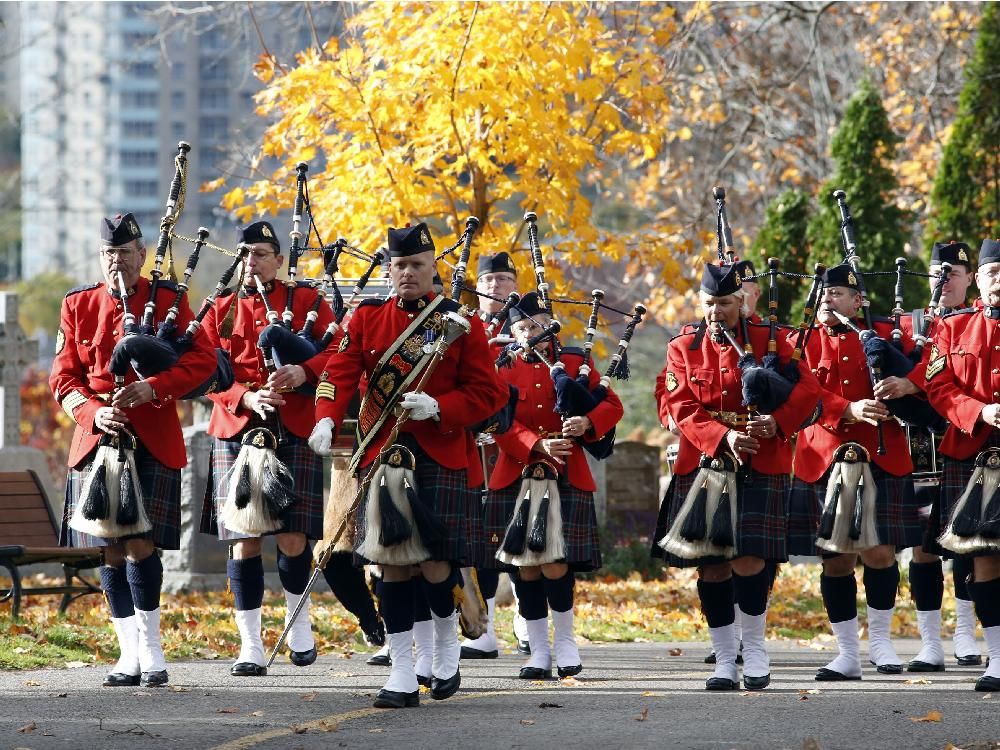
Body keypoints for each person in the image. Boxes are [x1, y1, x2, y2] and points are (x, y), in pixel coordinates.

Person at [309, 221, 507, 709]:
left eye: (416, 265)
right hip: (383, 455)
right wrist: (325, 418)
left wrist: (440, 408)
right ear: (390, 269)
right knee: (390, 565)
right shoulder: (366, 320)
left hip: (439, 452)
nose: (406, 273)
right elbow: (336, 374)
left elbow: (488, 394)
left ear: (432, 268)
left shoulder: (461, 322)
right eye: (399, 265)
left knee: (437, 566)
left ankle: (444, 650)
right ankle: (400, 671)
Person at [51, 213, 216, 688]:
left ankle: (153, 649)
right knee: (109, 548)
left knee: (141, 545)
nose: (116, 261)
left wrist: (156, 388)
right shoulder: (78, 304)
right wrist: (92, 413)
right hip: (98, 438)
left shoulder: (169, 300)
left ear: (142, 254)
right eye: (109, 253)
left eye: (125, 252)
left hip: (152, 435)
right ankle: (127, 653)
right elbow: (63, 378)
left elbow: (202, 362)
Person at [653, 262, 820, 691]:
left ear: (741, 302)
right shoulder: (683, 346)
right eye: (709, 303)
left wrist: (778, 423)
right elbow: (681, 404)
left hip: (761, 460)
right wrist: (721, 436)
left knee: (749, 561)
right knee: (711, 567)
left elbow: (808, 390)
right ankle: (725, 659)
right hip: (706, 463)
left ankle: (756, 649)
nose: (715, 311)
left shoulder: (774, 339)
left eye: (724, 303)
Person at [199, 220, 336, 677]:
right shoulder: (218, 309)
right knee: (245, 540)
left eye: (260, 253)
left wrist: (305, 372)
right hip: (239, 428)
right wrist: (245, 396)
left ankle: (298, 627)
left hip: (293, 427)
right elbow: (204, 375)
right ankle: (250, 644)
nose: (251, 262)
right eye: (244, 254)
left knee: (295, 537)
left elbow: (340, 353)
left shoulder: (310, 302)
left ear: (279, 260)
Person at [786, 263, 923, 681]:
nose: (827, 300)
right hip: (825, 457)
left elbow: (929, 364)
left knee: (880, 553)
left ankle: (881, 642)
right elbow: (799, 391)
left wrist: (905, 385)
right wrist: (846, 408)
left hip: (882, 455)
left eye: (838, 294)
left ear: (858, 300)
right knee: (836, 559)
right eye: (823, 294)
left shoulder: (884, 334)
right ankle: (846, 653)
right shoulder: (799, 341)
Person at [481, 291, 622, 679]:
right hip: (519, 471)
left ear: (551, 325)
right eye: (522, 328)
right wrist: (536, 444)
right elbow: (499, 424)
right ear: (513, 333)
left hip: (566, 471)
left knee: (557, 564)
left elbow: (611, 405)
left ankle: (566, 644)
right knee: (527, 568)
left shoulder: (575, 362)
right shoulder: (503, 368)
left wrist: (586, 423)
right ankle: (538, 652)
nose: (531, 333)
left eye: (538, 325)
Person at [879, 241, 982, 670]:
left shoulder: (981, 321)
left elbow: (949, 370)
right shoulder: (908, 321)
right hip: (919, 445)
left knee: (968, 543)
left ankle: (964, 634)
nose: (944, 280)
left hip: (969, 438)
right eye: (937, 271)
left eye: (953, 273)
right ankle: (930, 643)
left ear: (969, 278)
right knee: (923, 547)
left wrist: (912, 381)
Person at [923, 238, 1000, 692]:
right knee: (985, 559)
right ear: (980, 279)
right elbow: (938, 387)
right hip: (972, 454)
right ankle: (996, 657)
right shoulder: (953, 330)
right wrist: (980, 412)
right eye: (994, 273)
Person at [461, 250, 529, 660]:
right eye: (488, 281)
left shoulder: (531, 327)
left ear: (515, 286)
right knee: (481, 541)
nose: (495, 287)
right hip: (473, 447)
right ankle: (483, 630)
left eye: (503, 279)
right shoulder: (465, 328)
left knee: (520, 535)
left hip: (514, 448)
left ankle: (525, 615)